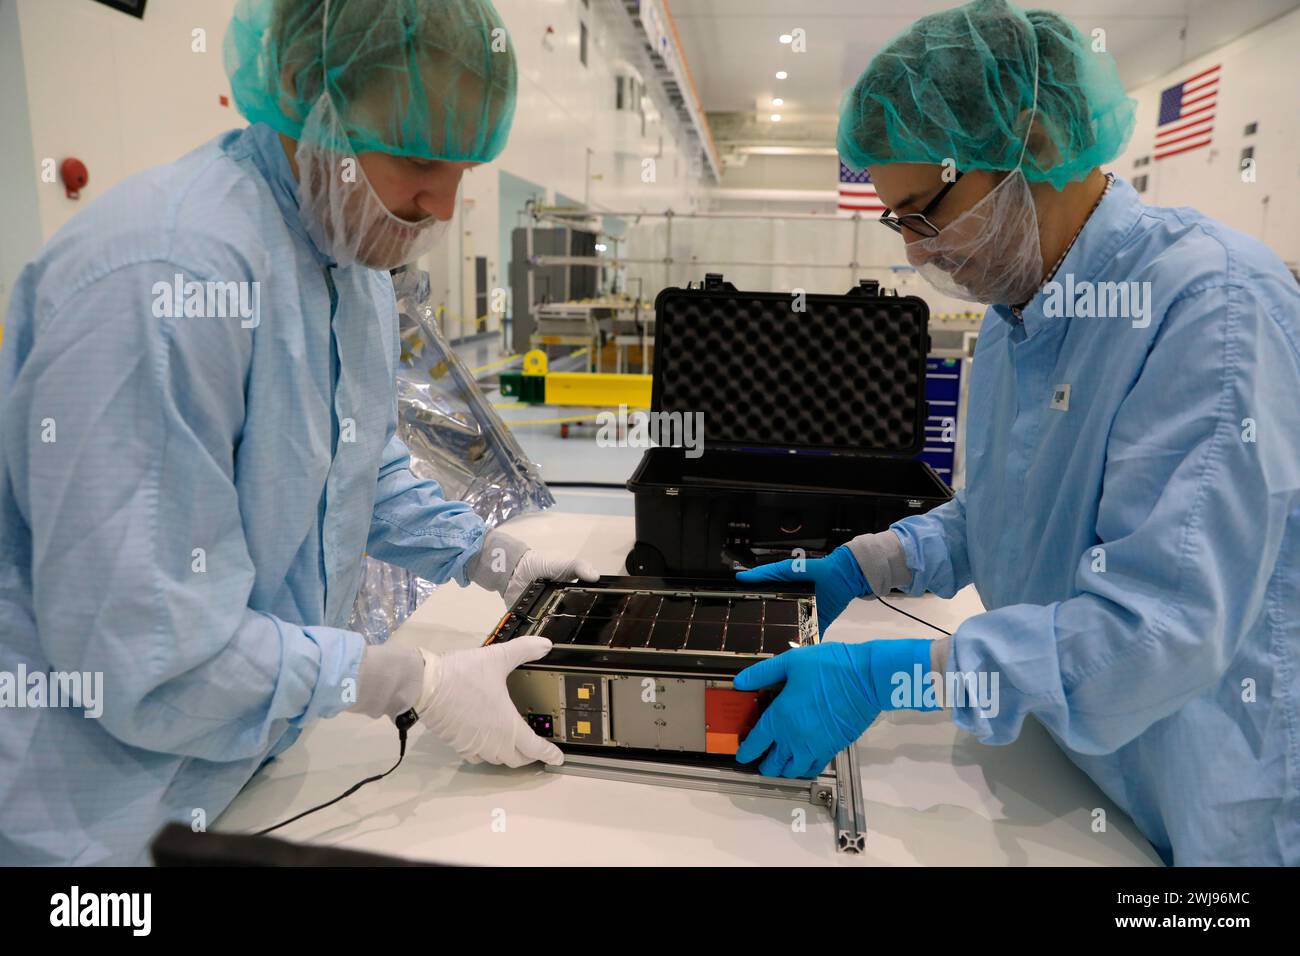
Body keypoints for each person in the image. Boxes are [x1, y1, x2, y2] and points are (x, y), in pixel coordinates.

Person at [0, 0, 595, 865]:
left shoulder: (349, 264)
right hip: (91, 826)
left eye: (466, 166)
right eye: (419, 158)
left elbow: (354, 460)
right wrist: (408, 680)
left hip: (241, 770)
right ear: (301, 95)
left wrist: (488, 556)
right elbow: (152, 645)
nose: (442, 203)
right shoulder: (163, 281)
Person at [735, 0, 1299, 865]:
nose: (918, 253)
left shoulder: (1211, 308)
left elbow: (1157, 634)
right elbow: (1001, 511)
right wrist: (866, 563)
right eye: (899, 224)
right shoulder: (1018, 308)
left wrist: (897, 675)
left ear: (1031, 145)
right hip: (1064, 771)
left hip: (1203, 807)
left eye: (924, 210)